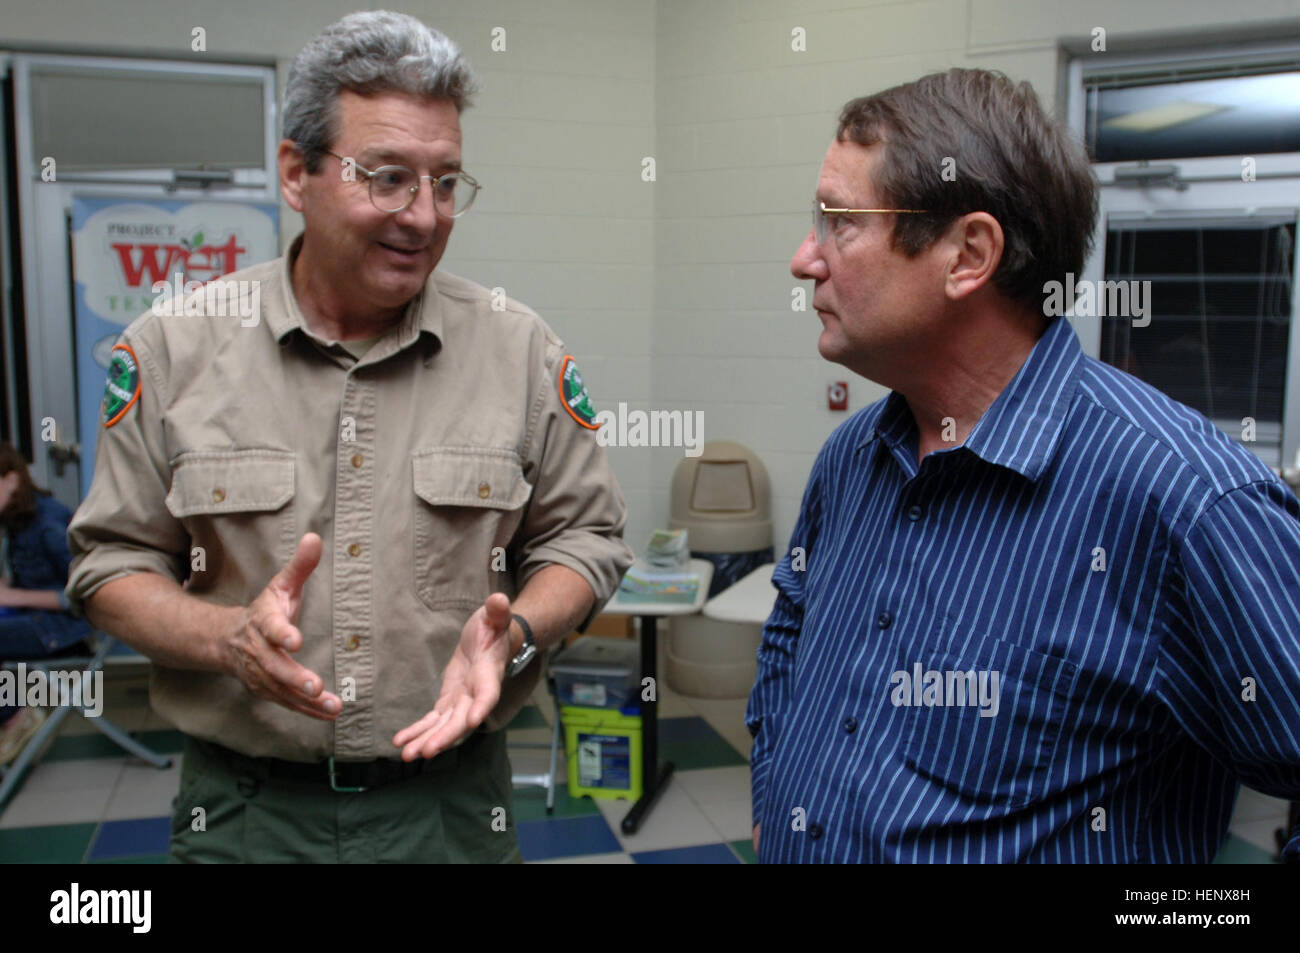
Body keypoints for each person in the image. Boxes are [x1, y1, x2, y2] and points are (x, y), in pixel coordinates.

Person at [65, 10, 632, 863]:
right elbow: (108, 566)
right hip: (244, 815)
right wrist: (227, 639)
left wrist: (515, 631)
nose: (424, 215)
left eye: (446, 183)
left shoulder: (518, 350)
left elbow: (586, 538)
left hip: (449, 811)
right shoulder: (172, 350)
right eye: (389, 177)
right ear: (297, 173)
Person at [746, 68, 1300, 863]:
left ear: (968, 253)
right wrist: (774, 801)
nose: (806, 260)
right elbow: (790, 635)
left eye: (840, 222)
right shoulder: (854, 456)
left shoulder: (1188, 497)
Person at [0, 443, 93, 763]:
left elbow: (81, 595)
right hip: (36, 619)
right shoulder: (16, 521)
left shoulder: (48, 522)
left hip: (63, 629)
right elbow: (35, 582)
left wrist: (12, 596)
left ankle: (14, 715)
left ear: (10, 479)